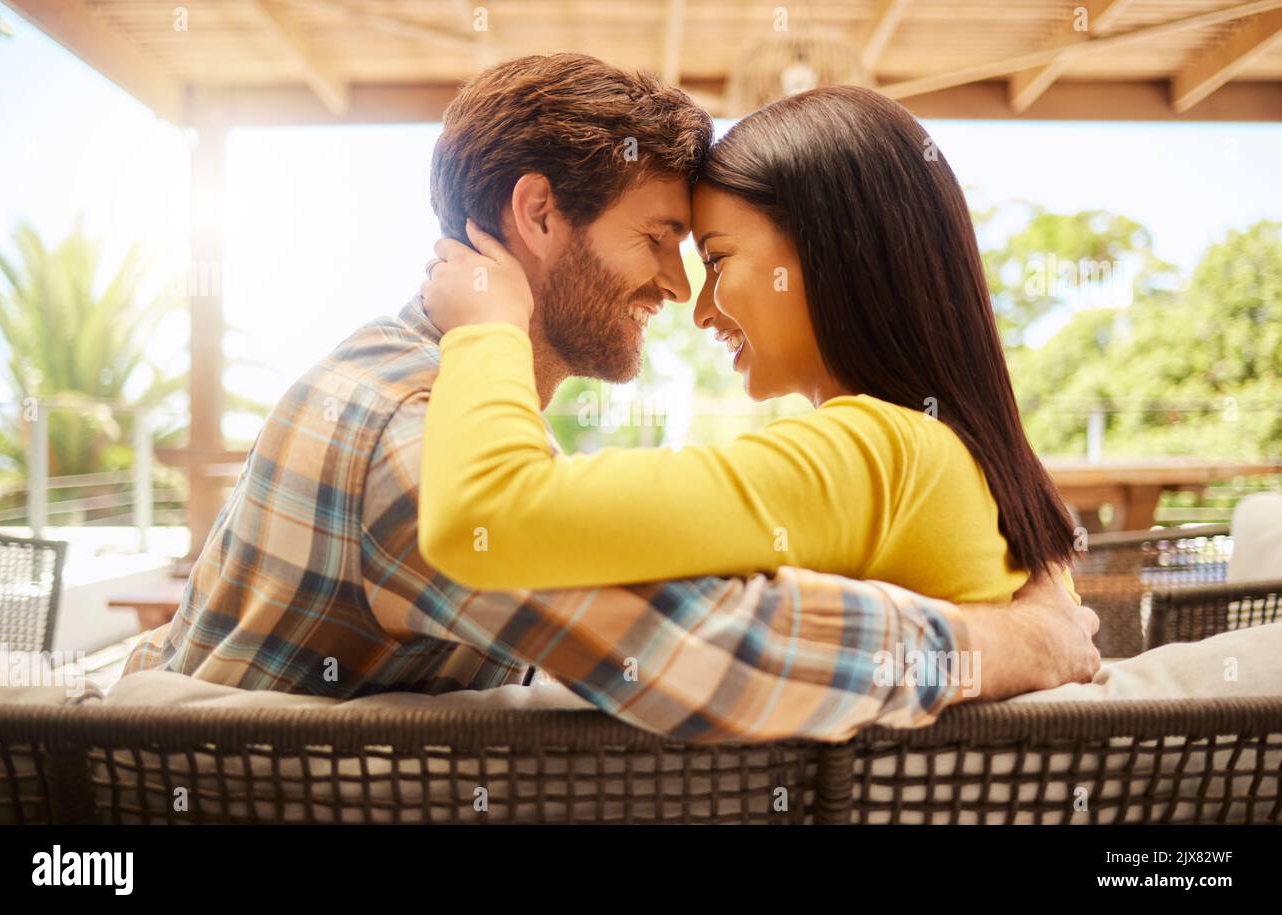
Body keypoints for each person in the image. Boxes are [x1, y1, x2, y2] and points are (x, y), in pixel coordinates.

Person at [123, 55, 1099, 743]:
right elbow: (729, 660)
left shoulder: (403, 390)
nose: (682, 293)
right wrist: (1011, 639)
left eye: (708, 254)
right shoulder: (405, 443)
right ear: (539, 215)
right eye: (664, 240)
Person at [418, 84, 1077, 610]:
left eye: (716, 257)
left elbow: (483, 517)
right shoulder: (941, 455)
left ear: (831, 254)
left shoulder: (878, 456)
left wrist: (487, 326)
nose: (698, 307)